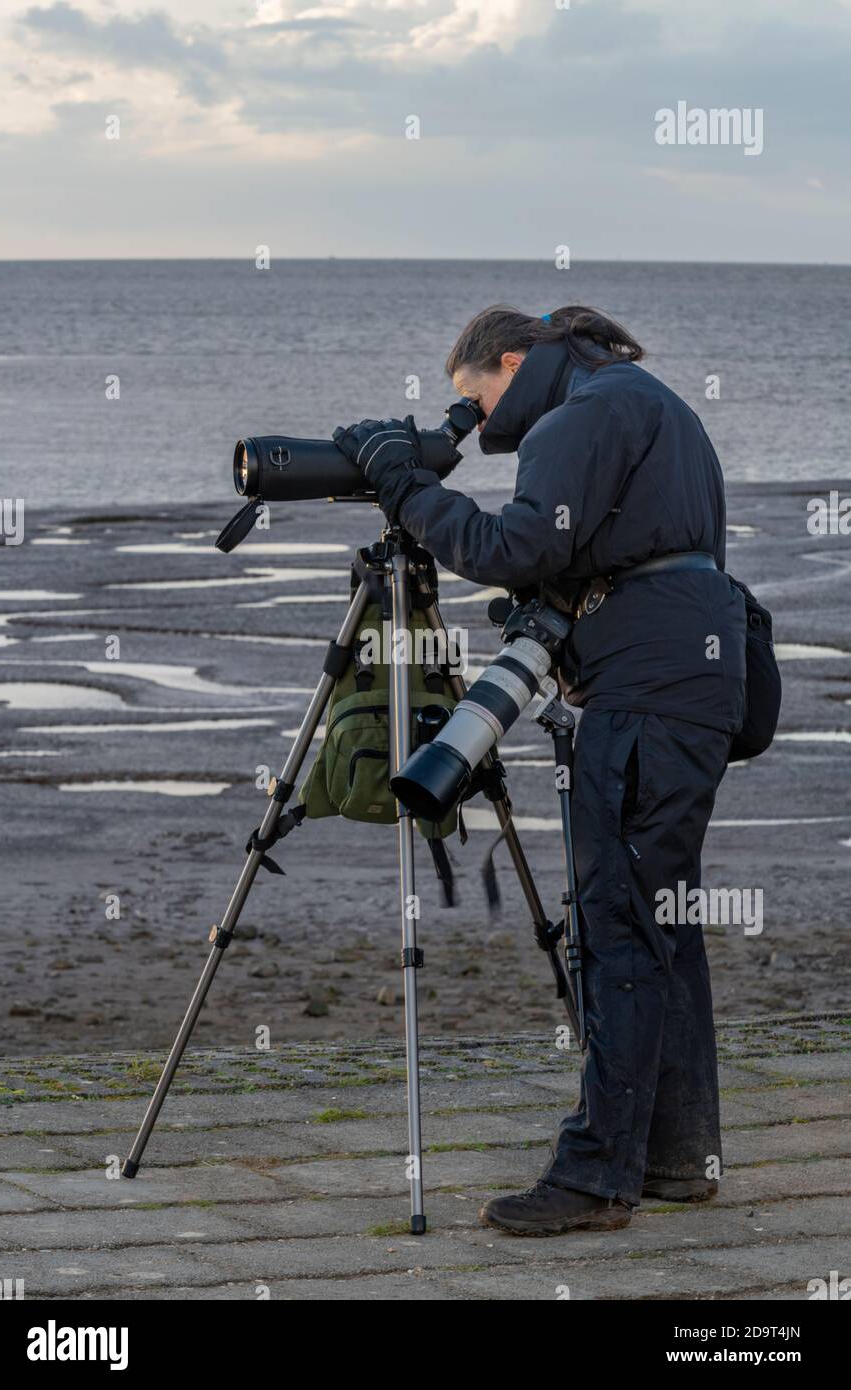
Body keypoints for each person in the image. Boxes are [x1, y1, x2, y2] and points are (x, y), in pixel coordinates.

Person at [333, 305, 747, 1237]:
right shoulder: (652, 403)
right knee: (662, 922)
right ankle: (679, 1157)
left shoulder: (577, 417)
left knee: (615, 932)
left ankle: (597, 1177)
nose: (472, 423)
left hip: (643, 697)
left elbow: (509, 548)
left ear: (513, 362)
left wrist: (401, 482)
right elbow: (615, 553)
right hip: (692, 680)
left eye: (471, 401)